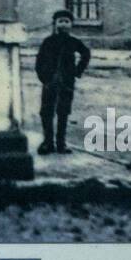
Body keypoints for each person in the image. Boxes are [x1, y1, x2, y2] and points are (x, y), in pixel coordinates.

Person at [34, 8, 90, 155]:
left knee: (63, 112)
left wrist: (77, 71)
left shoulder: (73, 42)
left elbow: (86, 53)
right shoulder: (48, 42)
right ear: (55, 24)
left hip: (67, 83)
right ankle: (47, 143)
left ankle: (61, 144)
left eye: (67, 21)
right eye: (61, 21)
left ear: (71, 24)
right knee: (46, 112)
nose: (64, 24)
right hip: (50, 83)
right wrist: (43, 77)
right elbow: (39, 61)